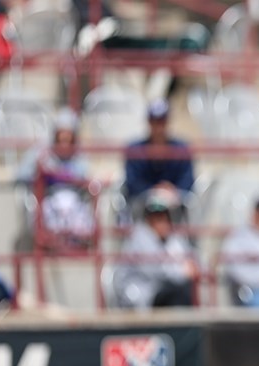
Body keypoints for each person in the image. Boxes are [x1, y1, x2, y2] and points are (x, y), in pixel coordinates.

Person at [16, 107, 99, 251]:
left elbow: (87, 178)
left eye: (68, 138)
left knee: (78, 211)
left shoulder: (80, 156)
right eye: (61, 137)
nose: (64, 142)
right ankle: (50, 245)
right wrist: (38, 171)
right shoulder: (41, 151)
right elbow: (20, 176)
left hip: (74, 204)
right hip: (48, 200)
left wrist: (68, 176)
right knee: (47, 211)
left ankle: (74, 245)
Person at [112, 187, 199, 309]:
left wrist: (193, 266)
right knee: (176, 291)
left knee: (184, 291)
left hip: (161, 291)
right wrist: (182, 272)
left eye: (163, 217)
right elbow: (154, 271)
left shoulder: (173, 238)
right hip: (139, 293)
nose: (160, 222)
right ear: (148, 219)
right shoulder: (140, 236)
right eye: (155, 218)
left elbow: (195, 260)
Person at [122, 98, 195, 221]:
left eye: (162, 122)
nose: (159, 128)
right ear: (149, 122)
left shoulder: (182, 149)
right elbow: (132, 183)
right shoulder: (135, 149)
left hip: (176, 206)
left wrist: (172, 191)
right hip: (143, 208)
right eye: (155, 122)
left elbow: (187, 181)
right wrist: (155, 191)